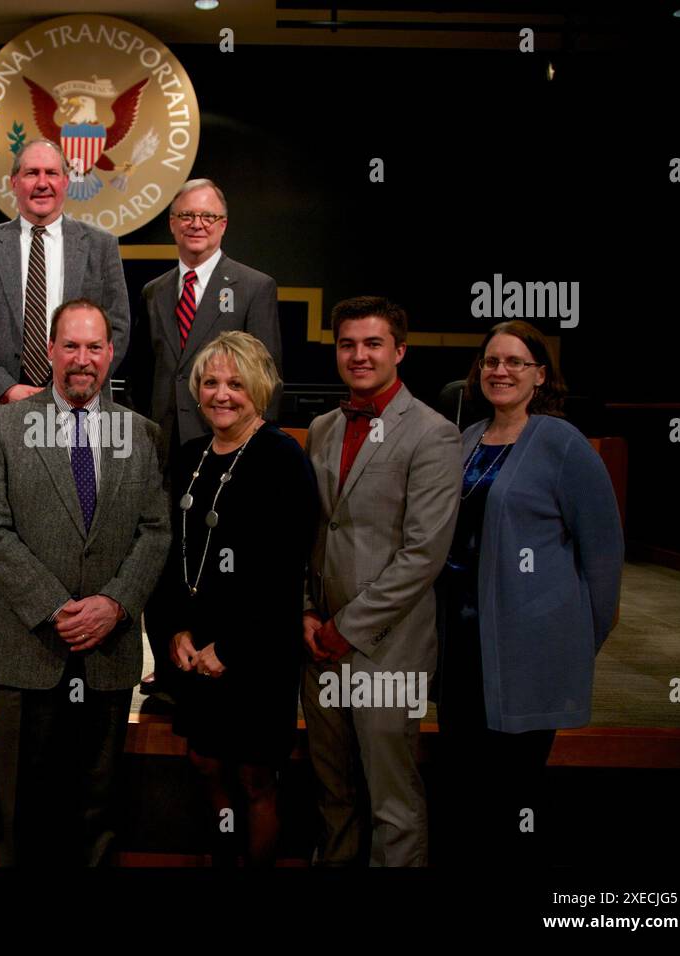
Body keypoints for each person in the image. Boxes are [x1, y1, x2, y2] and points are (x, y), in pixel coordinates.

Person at [0, 297, 170, 866]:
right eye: (71, 345)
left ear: (111, 353)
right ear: (50, 351)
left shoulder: (144, 434)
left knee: (97, 808)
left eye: (95, 347)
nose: (83, 359)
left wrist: (114, 603)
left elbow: (156, 532)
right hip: (27, 646)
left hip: (109, 649)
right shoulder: (1, 427)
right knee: (26, 809)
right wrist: (57, 607)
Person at [434, 319, 622, 864]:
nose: (500, 371)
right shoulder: (466, 441)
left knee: (513, 795)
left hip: (527, 651)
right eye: (491, 361)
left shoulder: (561, 442)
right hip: (464, 647)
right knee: (462, 784)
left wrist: (575, 641)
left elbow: (603, 553)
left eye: (516, 361)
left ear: (540, 374)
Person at [300, 295, 461, 867]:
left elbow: (423, 554)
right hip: (318, 645)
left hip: (388, 647)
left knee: (392, 799)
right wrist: (307, 613)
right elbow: (309, 531)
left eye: (372, 344)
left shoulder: (434, 434)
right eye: (348, 344)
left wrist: (348, 626)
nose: (359, 355)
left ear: (400, 350)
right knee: (334, 795)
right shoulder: (321, 428)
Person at [151, 331, 316, 865]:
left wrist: (230, 648)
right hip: (193, 648)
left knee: (253, 777)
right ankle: (225, 860)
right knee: (203, 760)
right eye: (211, 382)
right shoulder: (191, 455)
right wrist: (176, 631)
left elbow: (284, 573)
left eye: (236, 384)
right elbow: (171, 555)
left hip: (256, 651)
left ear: (260, 389)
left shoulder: (281, 456)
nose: (222, 394)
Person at [134, 178, 283, 695]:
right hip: (163, 453)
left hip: (227, 453)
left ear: (223, 225)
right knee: (163, 554)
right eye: (186, 217)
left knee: (217, 555)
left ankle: (217, 651)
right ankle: (167, 661)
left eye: (208, 217)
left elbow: (267, 377)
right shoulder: (154, 291)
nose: (197, 225)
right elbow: (147, 375)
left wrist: (252, 451)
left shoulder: (254, 285)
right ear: (172, 223)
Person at [0, 138, 131, 450]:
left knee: (76, 500)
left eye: (51, 173)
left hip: (79, 408)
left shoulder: (100, 246)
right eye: (32, 173)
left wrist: (73, 385)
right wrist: (5, 388)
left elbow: (118, 326)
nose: (42, 183)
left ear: (66, 181)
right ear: (14, 182)